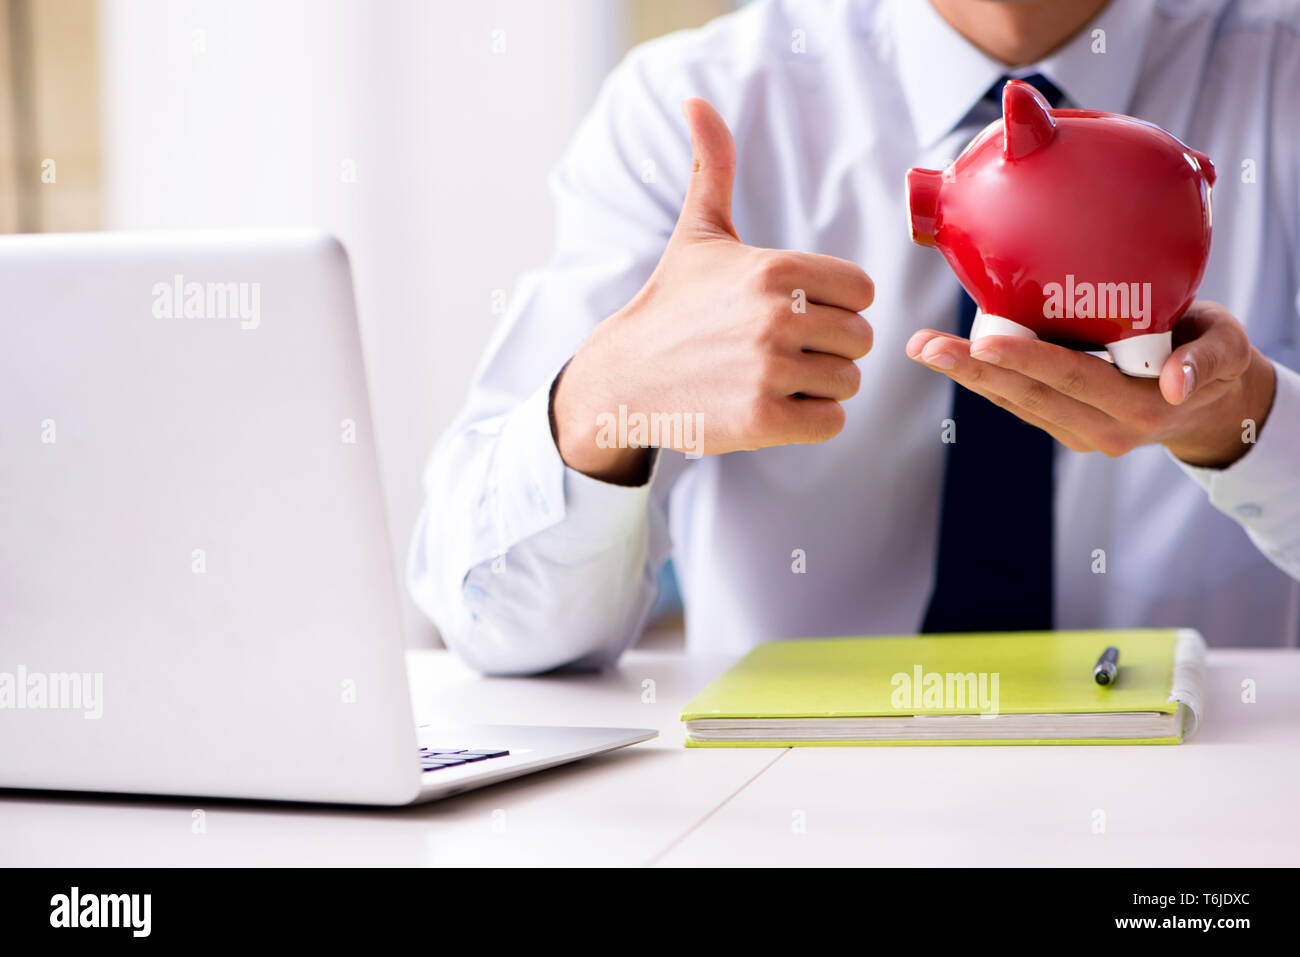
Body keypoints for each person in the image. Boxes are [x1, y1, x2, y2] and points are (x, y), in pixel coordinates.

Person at [408, 0, 1300, 674]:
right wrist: (612, 399)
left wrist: (1250, 427)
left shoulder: (1281, 83)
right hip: (794, 816)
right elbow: (492, 622)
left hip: (1193, 827)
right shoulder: (691, 108)